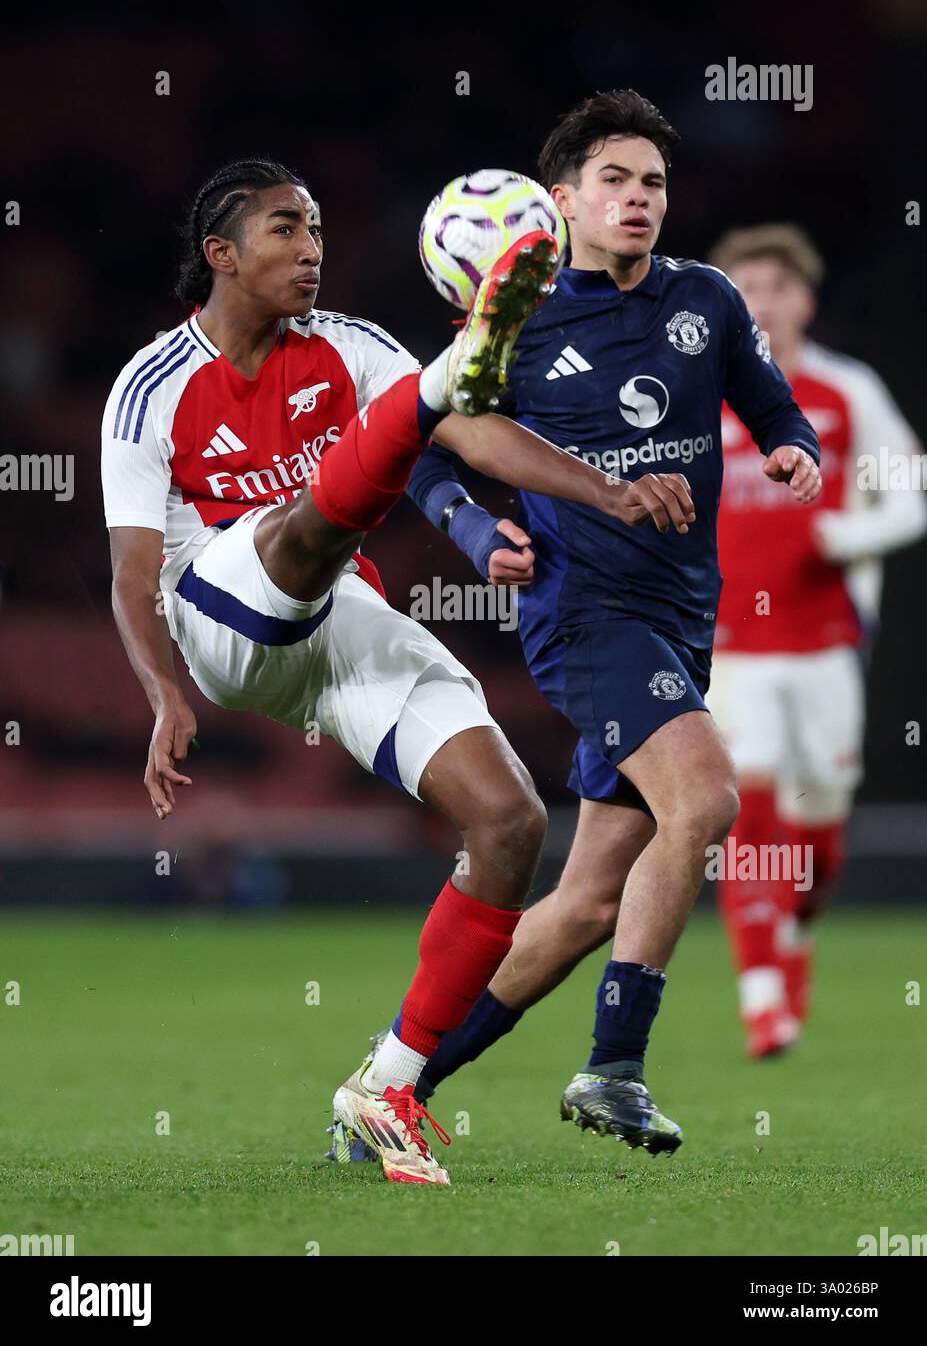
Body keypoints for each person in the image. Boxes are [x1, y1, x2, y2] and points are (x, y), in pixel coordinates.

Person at [102, 157, 686, 1184]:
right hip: (219, 606)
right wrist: (161, 695)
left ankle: (389, 1085)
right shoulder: (152, 384)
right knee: (301, 525)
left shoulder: (353, 347)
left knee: (510, 819)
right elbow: (133, 571)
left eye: (320, 228)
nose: (312, 249)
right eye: (286, 229)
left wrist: (609, 491)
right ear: (222, 254)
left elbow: (475, 437)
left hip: (339, 613)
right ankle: (449, 369)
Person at [346, 91, 822, 1157]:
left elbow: (766, 396)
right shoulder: (512, 324)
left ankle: (390, 1084)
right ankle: (613, 1066)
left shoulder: (703, 297)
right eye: (613, 180)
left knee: (585, 900)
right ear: (557, 203)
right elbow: (417, 442)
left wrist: (795, 448)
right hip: (584, 612)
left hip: (677, 618)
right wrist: (473, 534)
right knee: (703, 798)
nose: (638, 198)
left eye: (652, 181)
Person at [706, 223, 927, 1057]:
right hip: (732, 648)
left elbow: (912, 491)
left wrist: (849, 532)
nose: (762, 302)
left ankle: (793, 940)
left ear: (806, 298)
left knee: (821, 838)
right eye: (746, 287)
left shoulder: (844, 391)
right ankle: (762, 996)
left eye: (776, 286)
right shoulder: (698, 390)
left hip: (827, 643)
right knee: (750, 812)